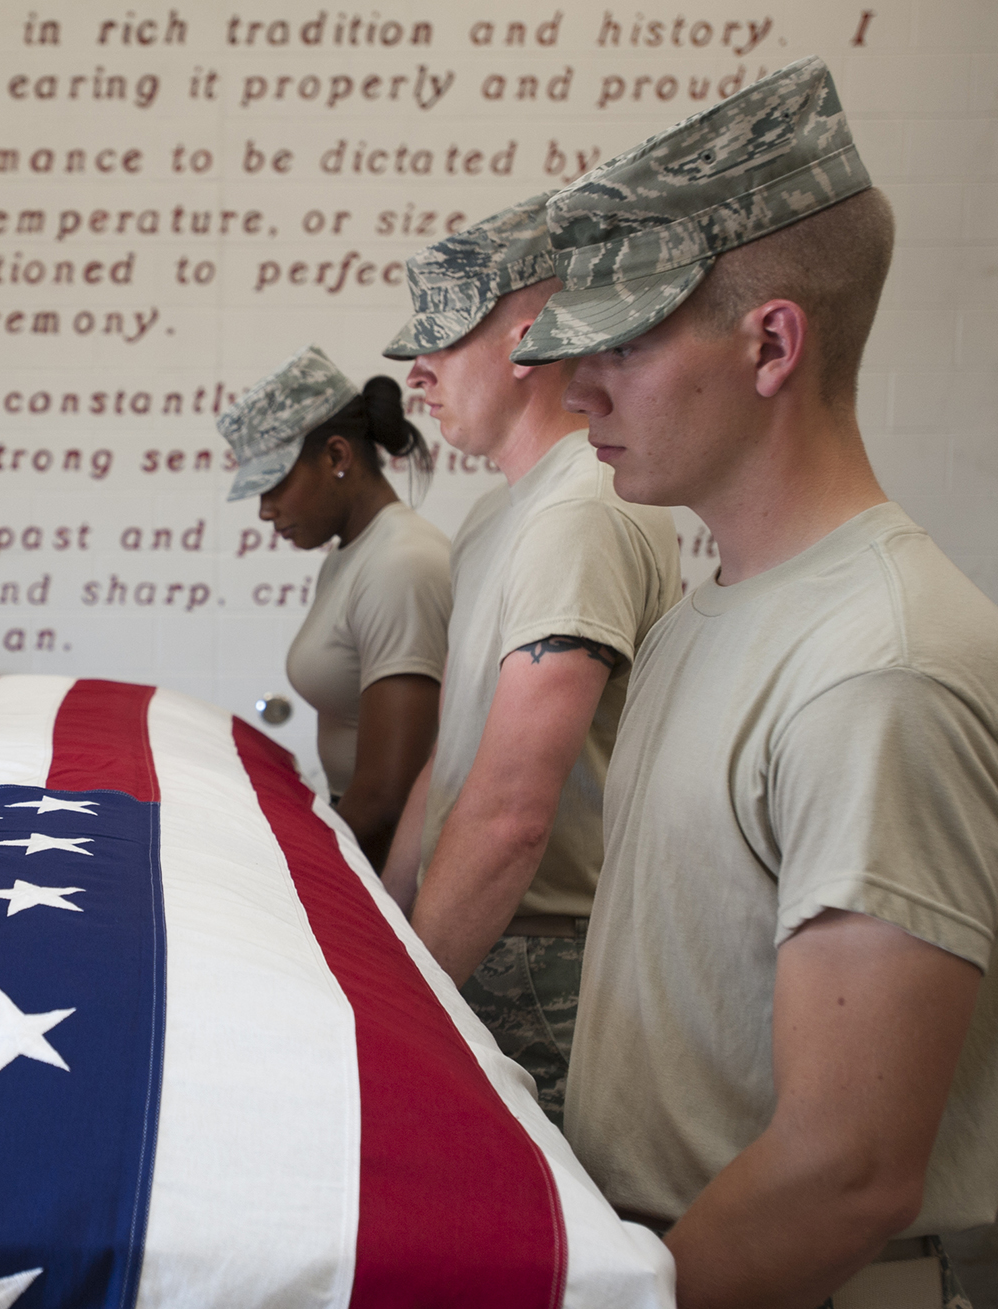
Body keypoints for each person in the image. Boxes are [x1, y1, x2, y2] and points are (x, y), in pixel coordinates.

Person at [519, 57, 998, 1308]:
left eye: (626, 344)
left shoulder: (882, 669)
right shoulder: (720, 609)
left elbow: (844, 1173)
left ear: (771, 343)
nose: (577, 388)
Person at [379, 194, 682, 1124]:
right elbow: (455, 757)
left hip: (541, 959)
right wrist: (381, 932)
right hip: (469, 929)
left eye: (441, 343)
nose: (416, 374)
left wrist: (398, 1007)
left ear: (525, 335)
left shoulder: (582, 509)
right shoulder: (497, 515)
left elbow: (512, 811)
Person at [221, 354, 449, 868]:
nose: (264, 510)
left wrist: (298, 876)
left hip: (394, 863)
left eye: (274, 483)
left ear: (337, 455)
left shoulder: (401, 564)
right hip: (360, 838)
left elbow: (389, 795)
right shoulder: (351, 555)